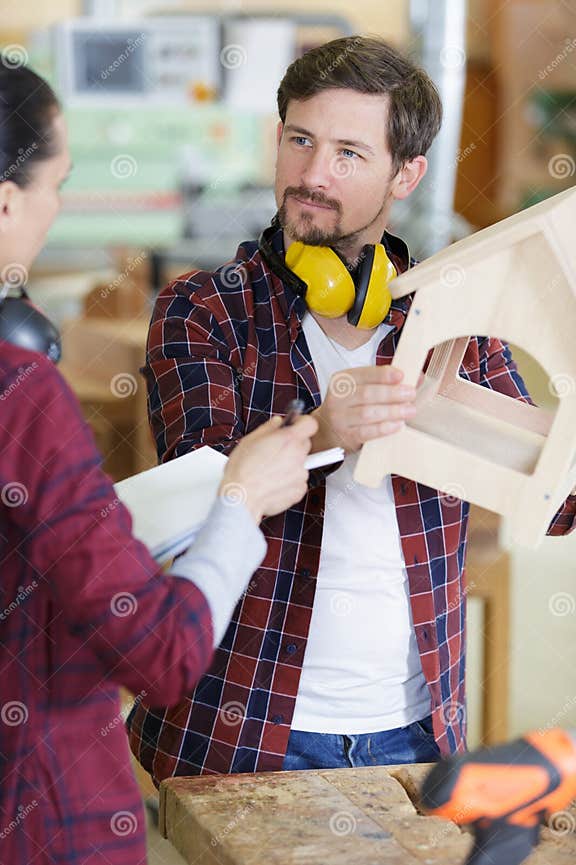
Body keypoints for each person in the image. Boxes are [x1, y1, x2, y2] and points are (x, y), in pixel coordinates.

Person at [127, 36, 576, 782]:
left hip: (414, 730)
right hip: (245, 731)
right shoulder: (203, 308)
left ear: (407, 173)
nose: (312, 174)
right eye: (301, 141)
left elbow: (556, 507)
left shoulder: (454, 320)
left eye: (348, 154)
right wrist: (322, 431)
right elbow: (194, 488)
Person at [0, 65, 316, 865]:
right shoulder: (21, 391)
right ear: (6, 202)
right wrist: (240, 501)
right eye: (56, 186)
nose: (55, 208)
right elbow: (161, 651)